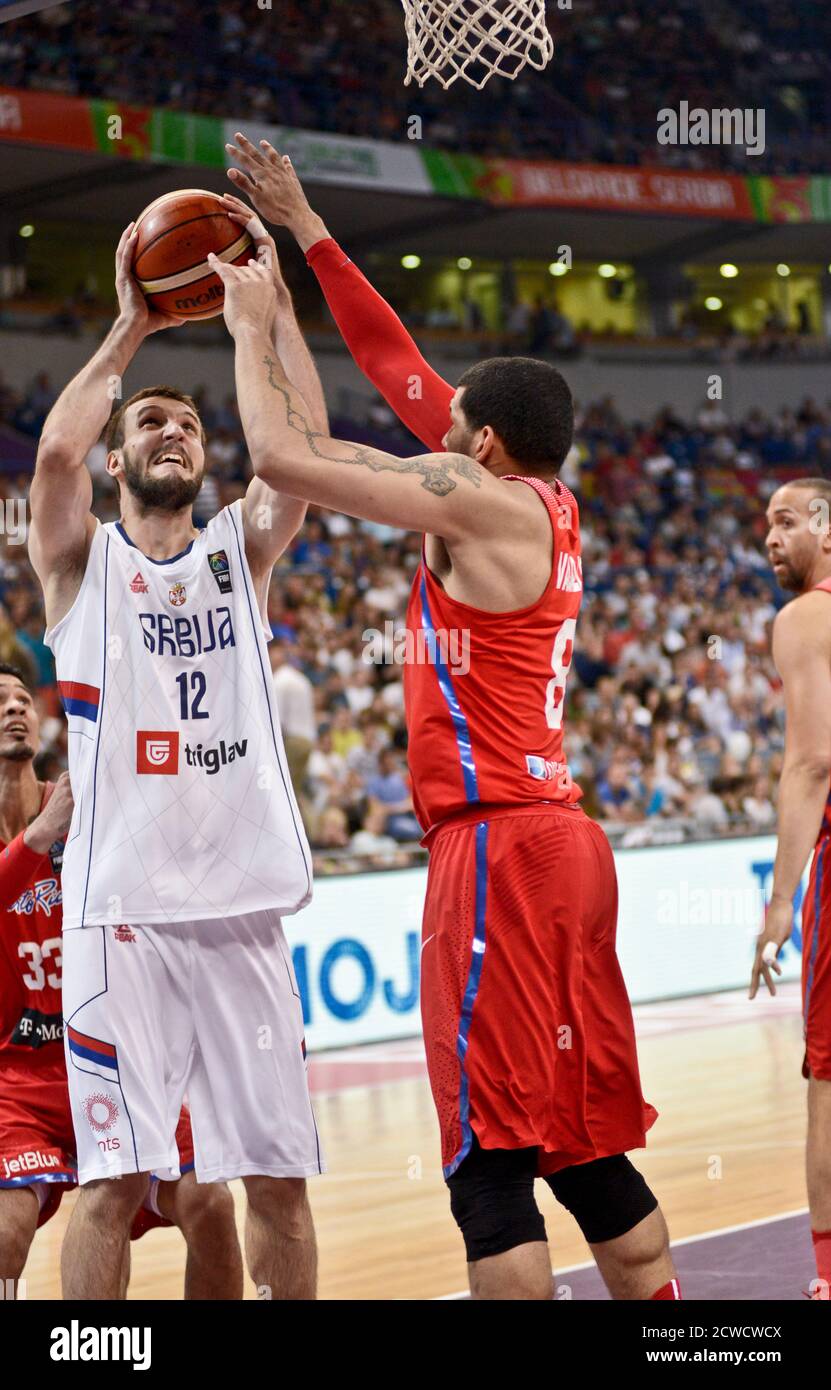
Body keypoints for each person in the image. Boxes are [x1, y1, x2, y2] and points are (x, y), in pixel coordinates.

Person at [209, 132, 680, 1303]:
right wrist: (309, 225)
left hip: (500, 851)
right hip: (565, 846)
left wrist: (251, 323)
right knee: (586, 1149)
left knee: (490, 1167)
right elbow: (394, 360)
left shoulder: (474, 501)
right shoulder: (538, 498)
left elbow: (281, 451)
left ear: (476, 444)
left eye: (448, 419)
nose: (432, 415)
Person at [27, 201, 326, 1301]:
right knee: (114, 1182)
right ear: (119, 458)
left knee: (279, 1181)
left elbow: (296, 452)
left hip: (242, 912)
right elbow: (56, 448)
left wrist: (271, 312)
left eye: (189, 425)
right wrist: (132, 328)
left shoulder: (238, 556)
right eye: (150, 422)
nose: (173, 432)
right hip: (124, 919)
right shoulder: (81, 565)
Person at [0, 666, 242, 1299]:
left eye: (23, 698)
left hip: (114, 1059)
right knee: (5, 1231)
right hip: (18, 1083)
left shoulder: (80, 802)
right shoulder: (49, 825)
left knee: (211, 1203)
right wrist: (36, 840)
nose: (14, 708)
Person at [753, 477, 831, 1300]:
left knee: (825, 1084)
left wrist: (780, 902)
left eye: (784, 521)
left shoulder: (807, 615)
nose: (768, 537)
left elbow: (810, 763)